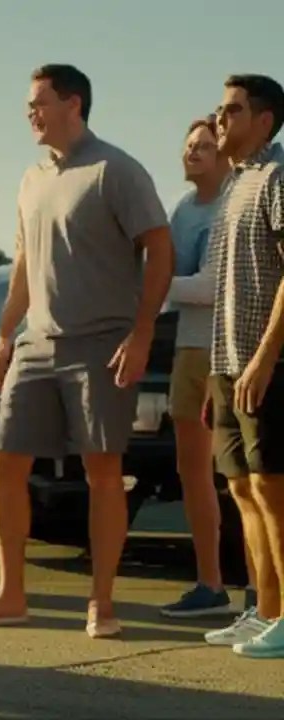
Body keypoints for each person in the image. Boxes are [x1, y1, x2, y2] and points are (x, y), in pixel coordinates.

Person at [0, 64, 174, 637]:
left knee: (103, 471)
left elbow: (160, 249)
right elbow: (25, 264)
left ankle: (102, 603)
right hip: (36, 343)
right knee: (6, 463)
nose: (29, 112)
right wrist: (7, 332)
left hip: (101, 343)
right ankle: (10, 595)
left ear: (73, 104)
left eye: (39, 102)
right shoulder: (31, 178)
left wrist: (142, 332)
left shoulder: (115, 169)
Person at [201, 74, 284, 658]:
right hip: (226, 364)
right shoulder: (234, 183)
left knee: (273, 489)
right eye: (219, 109)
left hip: (267, 363)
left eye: (231, 110)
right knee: (243, 489)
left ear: (264, 120)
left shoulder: (278, 176)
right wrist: (221, 374)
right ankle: (267, 612)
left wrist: (264, 359)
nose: (219, 119)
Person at [158, 116, 235, 618]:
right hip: (189, 349)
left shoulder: (236, 204)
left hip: (228, 350)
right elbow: (167, 277)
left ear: (225, 154)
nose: (192, 152)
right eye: (189, 145)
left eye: (204, 145)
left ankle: (263, 594)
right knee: (193, 471)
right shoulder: (184, 209)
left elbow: (211, 287)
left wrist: (150, 286)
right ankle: (211, 583)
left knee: (244, 477)